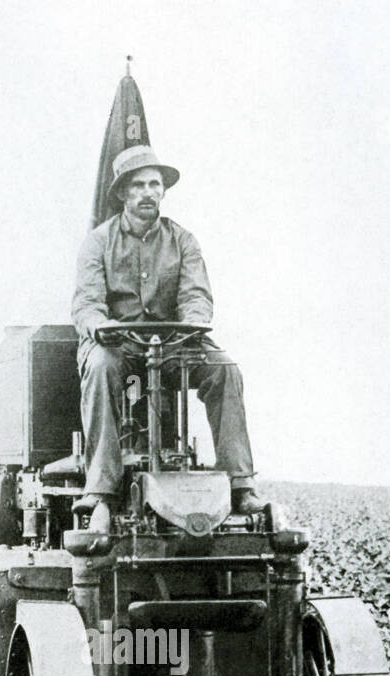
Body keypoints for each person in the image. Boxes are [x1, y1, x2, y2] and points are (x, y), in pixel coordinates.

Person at [71, 144, 264, 531]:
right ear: (123, 193)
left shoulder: (184, 242)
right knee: (100, 365)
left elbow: (196, 297)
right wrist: (101, 326)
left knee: (224, 368)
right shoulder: (98, 242)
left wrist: (191, 326)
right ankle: (102, 490)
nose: (148, 192)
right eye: (139, 185)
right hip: (119, 345)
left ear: (163, 191)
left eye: (154, 184)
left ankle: (240, 482)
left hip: (174, 346)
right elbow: (86, 305)